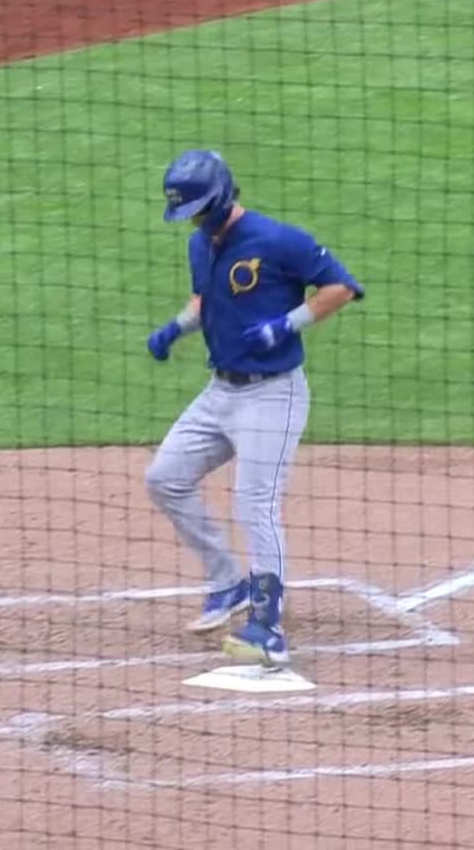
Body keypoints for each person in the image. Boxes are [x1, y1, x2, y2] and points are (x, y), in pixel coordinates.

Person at [144, 150, 364, 667]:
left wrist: (287, 325)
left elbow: (341, 287)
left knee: (254, 503)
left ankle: (267, 625)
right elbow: (206, 301)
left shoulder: (279, 240)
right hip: (220, 393)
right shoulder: (201, 245)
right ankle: (227, 583)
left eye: (200, 208)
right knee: (164, 478)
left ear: (222, 196)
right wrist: (176, 328)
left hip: (273, 395)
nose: (196, 219)